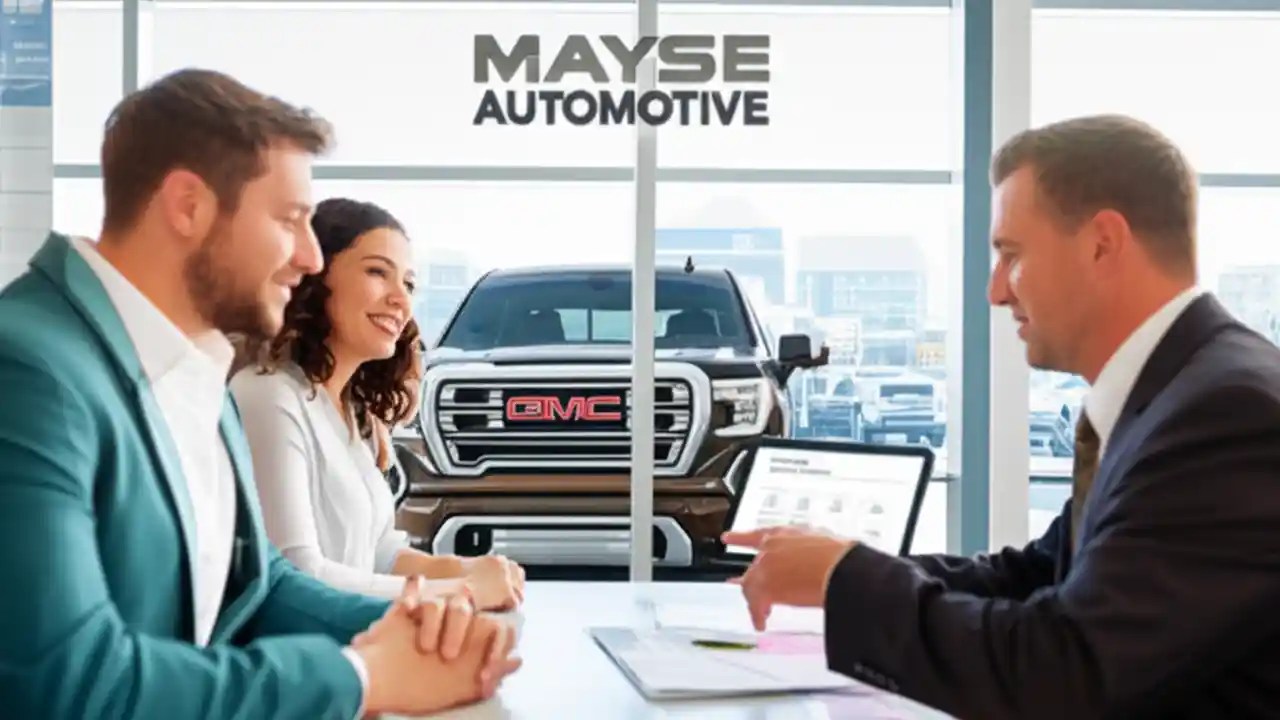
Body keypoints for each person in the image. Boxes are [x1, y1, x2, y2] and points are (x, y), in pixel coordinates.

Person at [0, 68, 520, 718]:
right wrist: (360, 677)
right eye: (289, 220)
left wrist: (423, 631)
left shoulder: (201, 377)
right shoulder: (30, 368)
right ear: (188, 206)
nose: (310, 258)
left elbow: (259, 587)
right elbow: (64, 682)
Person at [725, 114, 1280, 719]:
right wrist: (842, 564)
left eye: (1011, 255)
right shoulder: (1176, 393)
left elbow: (1064, 672)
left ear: (1102, 243)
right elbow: (1041, 575)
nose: (995, 291)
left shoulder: (1227, 415)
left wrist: (847, 580)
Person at [229, 196, 525, 608]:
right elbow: (296, 575)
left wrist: (465, 569)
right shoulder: (268, 396)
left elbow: (380, 556)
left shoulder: (353, 415)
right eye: (377, 272)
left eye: (408, 284)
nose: (401, 300)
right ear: (316, 275)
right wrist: (463, 590)